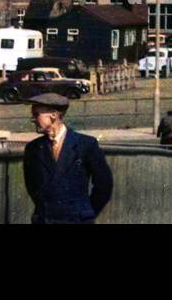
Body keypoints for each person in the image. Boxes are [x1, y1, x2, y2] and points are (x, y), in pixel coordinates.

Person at [22, 93, 113, 224]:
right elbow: (32, 187)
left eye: (36, 114)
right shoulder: (33, 149)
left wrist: (86, 213)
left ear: (53, 115)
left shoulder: (86, 144)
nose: (33, 119)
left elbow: (104, 185)